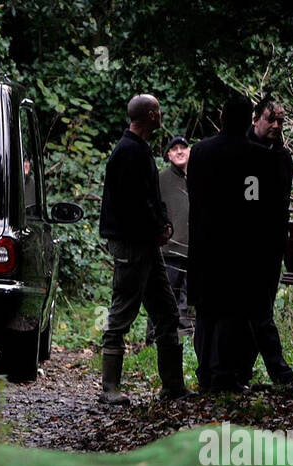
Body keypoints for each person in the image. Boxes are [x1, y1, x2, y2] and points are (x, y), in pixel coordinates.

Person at [188, 94, 287, 392]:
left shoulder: (200, 151)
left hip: (205, 243)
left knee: (206, 312)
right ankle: (223, 374)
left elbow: (195, 196)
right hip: (241, 248)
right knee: (231, 313)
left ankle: (206, 372)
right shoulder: (261, 157)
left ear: (221, 118)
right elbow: (265, 209)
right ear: (249, 121)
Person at [97, 94, 191, 405]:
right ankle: (109, 388)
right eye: (158, 111)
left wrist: (161, 226)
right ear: (151, 115)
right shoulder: (128, 152)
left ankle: (173, 386)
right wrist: (157, 228)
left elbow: (150, 199)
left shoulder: (139, 150)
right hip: (132, 246)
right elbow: (133, 205)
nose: (160, 115)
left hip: (147, 245)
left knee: (166, 312)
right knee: (121, 312)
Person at [243, 97, 293, 385]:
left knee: (260, 310)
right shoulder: (243, 151)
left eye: (280, 121)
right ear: (255, 119)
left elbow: (281, 202)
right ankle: (279, 372)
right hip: (246, 244)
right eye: (270, 119)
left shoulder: (282, 157)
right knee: (256, 311)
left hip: (272, 245)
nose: (276, 125)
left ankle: (244, 370)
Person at [146, 136, 194, 344]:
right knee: (163, 298)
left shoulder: (198, 178)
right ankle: (152, 341)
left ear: (190, 151)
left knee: (188, 301)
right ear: (168, 155)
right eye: (174, 149)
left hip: (192, 251)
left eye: (183, 147)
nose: (179, 152)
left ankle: (184, 343)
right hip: (169, 251)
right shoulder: (161, 180)